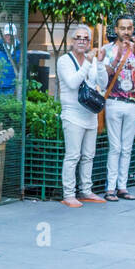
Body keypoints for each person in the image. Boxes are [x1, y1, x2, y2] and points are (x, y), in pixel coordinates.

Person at [56, 24, 108, 208]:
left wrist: (100, 63)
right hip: (72, 114)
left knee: (88, 155)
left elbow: (102, 82)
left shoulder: (92, 61)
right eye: (78, 37)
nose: (81, 41)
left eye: (85, 38)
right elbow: (72, 83)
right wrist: (88, 62)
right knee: (73, 155)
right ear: (72, 40)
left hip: (90, 114)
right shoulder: (64, 61)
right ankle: (69, 193)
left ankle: (86, 190)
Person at [99, 15, 135, 202]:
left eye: (129, 28)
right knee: (115, 147)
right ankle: (110, 188)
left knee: (126, 148)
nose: (126, 32)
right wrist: (119, 55)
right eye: (123, 28)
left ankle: (122, 186)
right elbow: (104, 75)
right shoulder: (108, 49)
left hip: (133, 102)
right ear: (116, 29)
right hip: (113, 101)